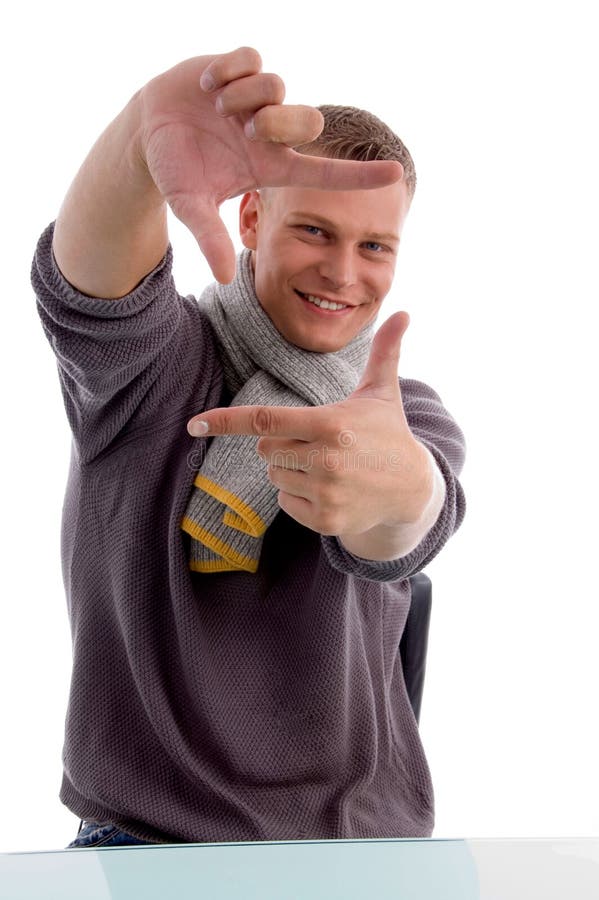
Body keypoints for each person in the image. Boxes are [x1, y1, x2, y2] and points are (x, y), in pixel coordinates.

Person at [31, 47, 466, 847]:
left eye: (375, 247)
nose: (343, 271)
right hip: (158, 853)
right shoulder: (161, 365)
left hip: (375, 861)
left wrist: (394, 495)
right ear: (254, 219)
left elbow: (409, 520)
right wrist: (137, 142)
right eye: (313, 230)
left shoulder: (398, 412)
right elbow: (89, 290)